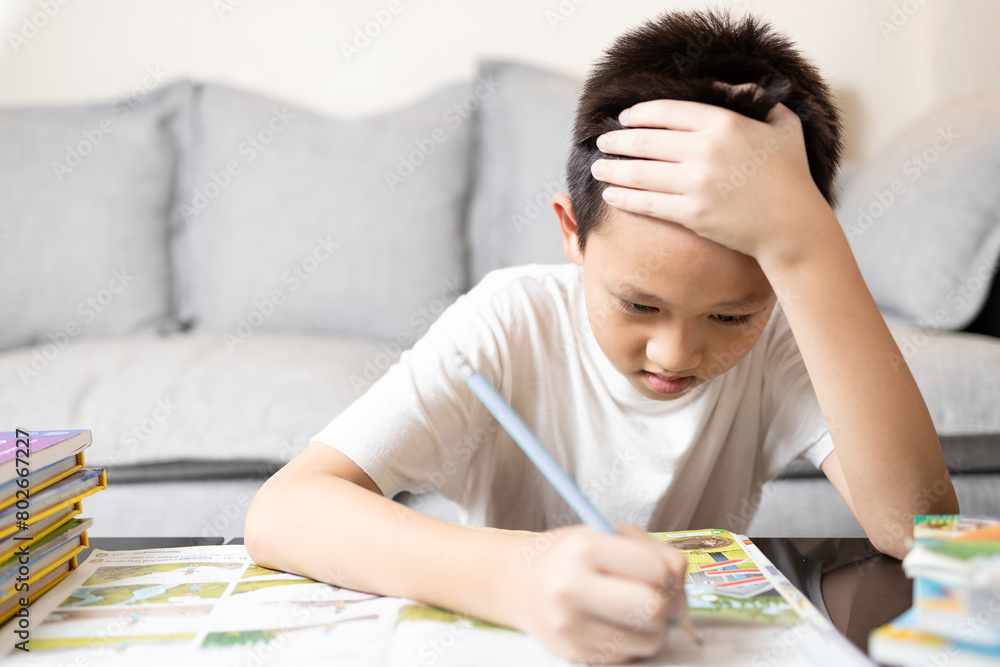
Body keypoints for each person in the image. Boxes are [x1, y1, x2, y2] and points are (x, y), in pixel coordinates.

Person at [245, 9, 958, 664]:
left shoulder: (786, 337)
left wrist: (808, 245)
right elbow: (285, 510)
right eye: (638, 303)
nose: (676, 354)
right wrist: (517, 577)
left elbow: (918, 527)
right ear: (572, 233)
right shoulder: (508, 321)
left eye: (731, 315)